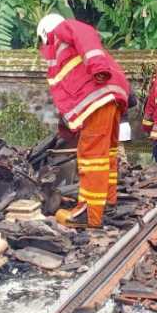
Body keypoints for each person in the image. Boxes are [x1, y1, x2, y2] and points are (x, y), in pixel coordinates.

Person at [37, 13, 130, 228]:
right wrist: (66, 128)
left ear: (45, 34)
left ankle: (89, 215)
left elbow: (86, 33)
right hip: (108, 101)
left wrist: (98, 67)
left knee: (92, 159)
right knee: (107, 154)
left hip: (97, 101)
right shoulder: (67, 51)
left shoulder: (63, 31)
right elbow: (67, 97)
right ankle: (107, 200)